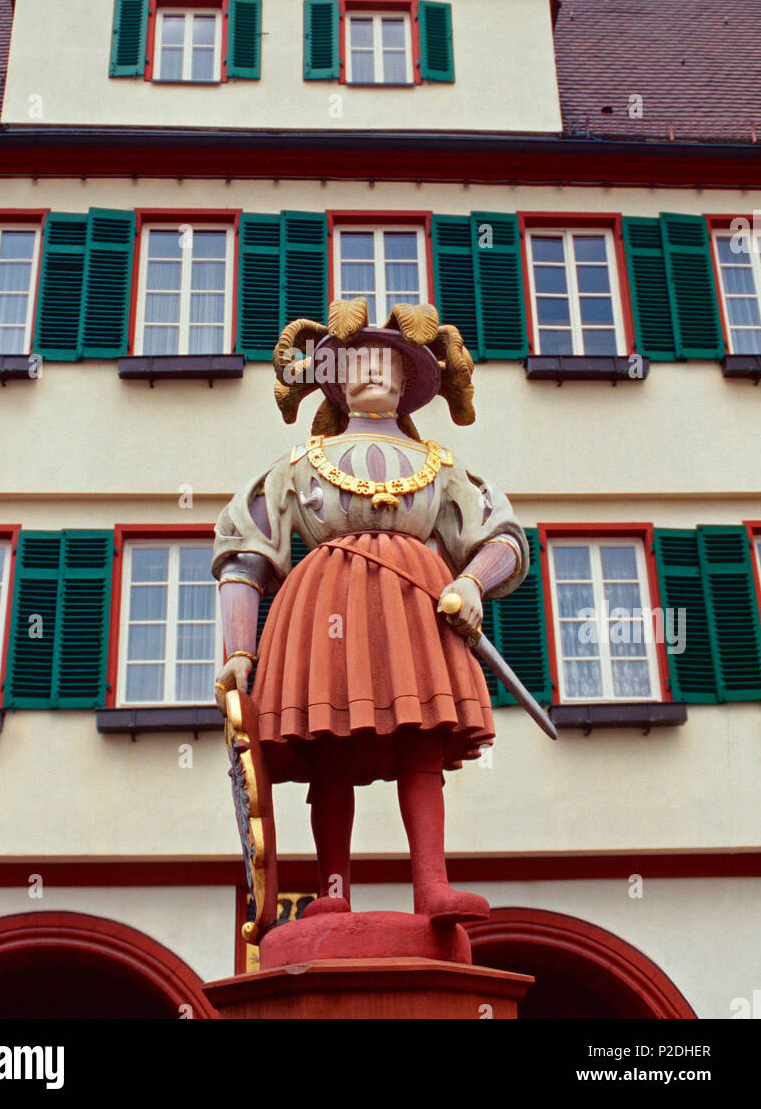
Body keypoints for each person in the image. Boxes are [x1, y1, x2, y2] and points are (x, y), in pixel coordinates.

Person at [212, 299, 528, 924]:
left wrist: (471, 581)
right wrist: (239, 654)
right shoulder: (297, 466)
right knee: (330, 744)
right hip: (324, 605)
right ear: (335, 376)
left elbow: (504, 537)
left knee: (422, 740)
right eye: (360, 360)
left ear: (410, 382)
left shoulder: (443, 466)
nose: (375, 370)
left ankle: (432, 885)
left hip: (419, 607)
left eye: (389, 362)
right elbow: (244, 554)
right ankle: (332, 891)